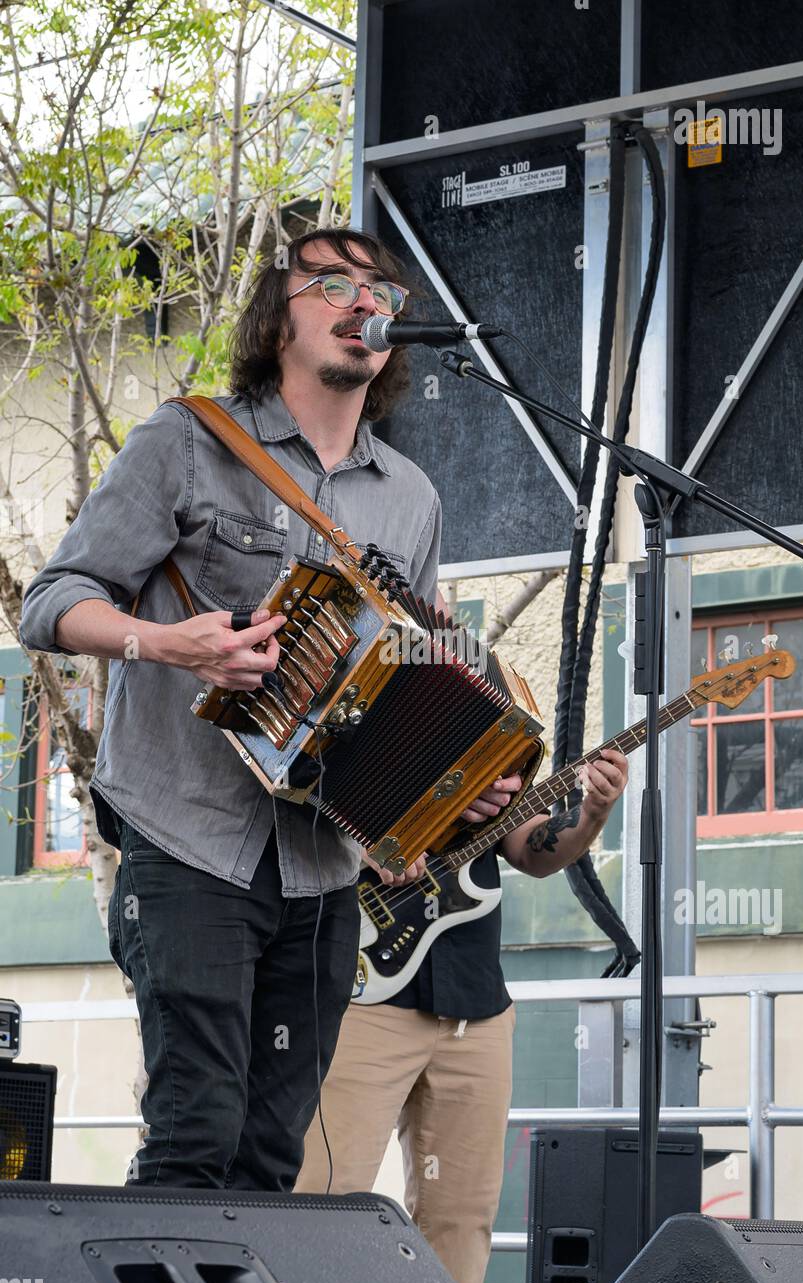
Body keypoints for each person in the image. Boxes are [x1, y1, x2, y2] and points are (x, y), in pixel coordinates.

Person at [18, 227, 510, 1192]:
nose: (362, 303)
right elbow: (51, 601)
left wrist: (448, 797)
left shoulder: (411, 498)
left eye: (381, 292)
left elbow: (401, 680)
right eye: (331, 283)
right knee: (196, 1129)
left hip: (321, 866)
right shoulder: (186, 441)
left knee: (273, 1157)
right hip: (188, 837)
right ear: (276, 318)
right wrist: (168, 643)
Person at [295, 742, 629, 1283]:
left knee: (462, 1219)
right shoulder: (349, 689)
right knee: (323, 1202)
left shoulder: (498, 705)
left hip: (476, 1000)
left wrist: (594, 810)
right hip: (360, 990)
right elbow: (290, 777)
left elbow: (530, 849)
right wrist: (366, 836)